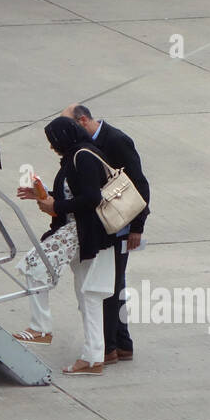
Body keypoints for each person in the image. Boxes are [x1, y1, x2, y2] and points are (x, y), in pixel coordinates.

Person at [13, 117, 116, 374]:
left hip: (85, 232)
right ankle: (93, 358)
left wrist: (55, 206)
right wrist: (44, 194)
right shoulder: (77, 155)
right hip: (87, 234)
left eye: (53, 141)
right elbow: (77, 193)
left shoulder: (83, 156)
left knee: (34, 265)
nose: (52, 147)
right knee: (88, 296)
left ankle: (40, 328)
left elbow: (92, 197)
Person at [66, 104, 150, 365]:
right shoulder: (88, 144)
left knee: (110, 286)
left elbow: (140, 183)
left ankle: (110, 347)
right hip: (106, 225)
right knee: (116, 284)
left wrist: (137, 227)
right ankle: (122, 344)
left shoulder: (115, 141)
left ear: (82, 121)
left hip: (120, 226)